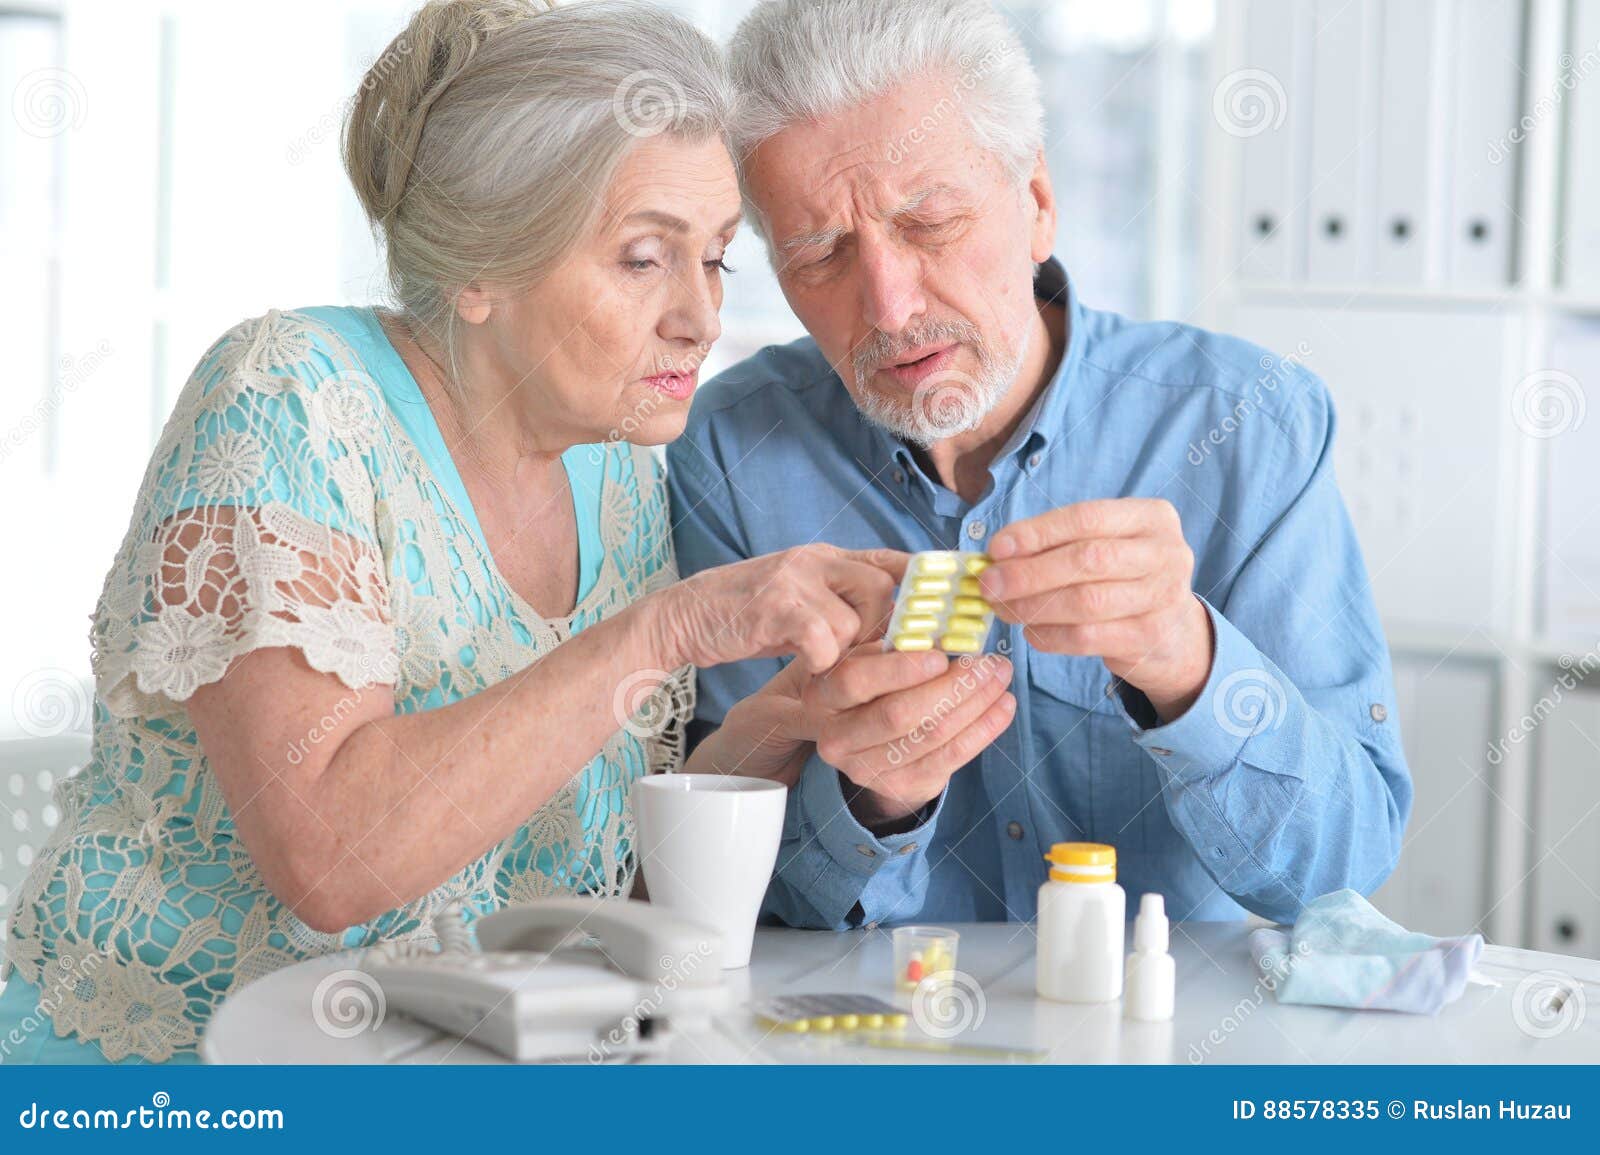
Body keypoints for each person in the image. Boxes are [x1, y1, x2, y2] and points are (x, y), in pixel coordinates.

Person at [0, 0, 903, 1064]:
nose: (700, 319)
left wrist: (787, 716)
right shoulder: (289, 396)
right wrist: (665, 632)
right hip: (179, 1081)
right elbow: (332, 869)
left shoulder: (614, 470)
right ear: (480, 267)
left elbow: (596, 892)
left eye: (714, 260)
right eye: (641, 258)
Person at [669, 0, 1413, 931]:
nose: (892, 308)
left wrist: (1189, 663)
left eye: (931, 223)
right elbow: (719, 902)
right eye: (821, 253)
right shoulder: (729, 453)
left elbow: (1342, 872)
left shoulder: (1250, 425)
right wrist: (868, 804)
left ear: (1040, 204)